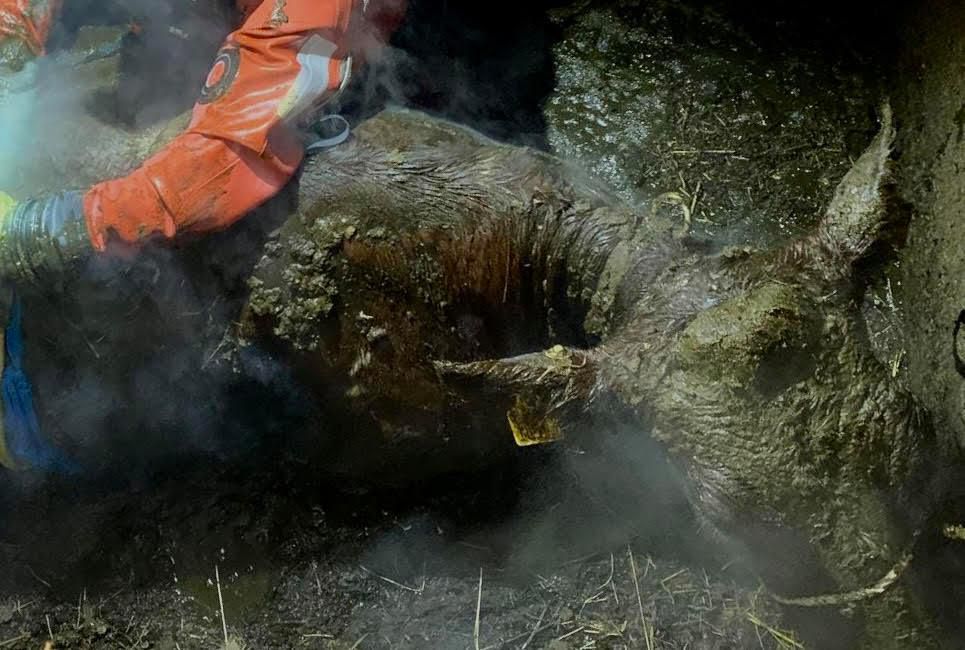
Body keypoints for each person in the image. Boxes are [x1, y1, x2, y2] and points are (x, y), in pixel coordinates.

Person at [0, 0, 406, 470]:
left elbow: (223, 164)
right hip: (215, 19)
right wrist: (11, 53)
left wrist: (36, 230)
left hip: (328, 36)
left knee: (254, 228)